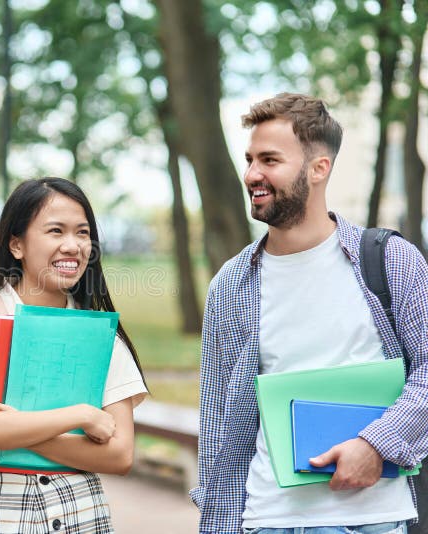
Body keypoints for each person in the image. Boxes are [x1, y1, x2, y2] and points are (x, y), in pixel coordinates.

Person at [192, 93, 428, 534]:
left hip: (370, 520)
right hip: (265, 521)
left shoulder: (390, 260)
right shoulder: (230, 283)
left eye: (269, 160)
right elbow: (217, 422)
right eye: (249, 160)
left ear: (319, 169)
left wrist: (375, 444)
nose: (252, 175)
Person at [0, 177, 148, 533]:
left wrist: (13, 427)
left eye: (82, 233)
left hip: (81, 511)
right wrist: (79, 415)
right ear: (16, 244)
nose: (73, 246)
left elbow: (120, 454)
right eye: (56, 231)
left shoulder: (101, 334)